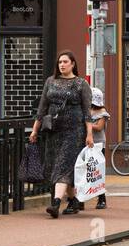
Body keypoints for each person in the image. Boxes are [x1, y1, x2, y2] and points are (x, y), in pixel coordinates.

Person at [29, 50, 95, 218]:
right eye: (60, 62)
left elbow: (87, 112)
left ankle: (56, 203)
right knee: (59, 166)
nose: (62, 65)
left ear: (73, 64)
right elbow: (42, 108)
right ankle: (73, 200)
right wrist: (35, 130)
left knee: (62, 166)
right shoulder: (50, 81)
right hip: (53, 131)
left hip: (74, 132)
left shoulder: (81, 84)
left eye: (65, 62)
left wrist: (89, 134)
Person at [88, 90, 111, 209]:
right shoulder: (87, 111)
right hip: (87, 144)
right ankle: (82, 198)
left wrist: (87, 124)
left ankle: (102, 199)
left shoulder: (103, 113)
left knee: (98, 172)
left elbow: (99, 127)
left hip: (98, 144)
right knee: (86, 171)